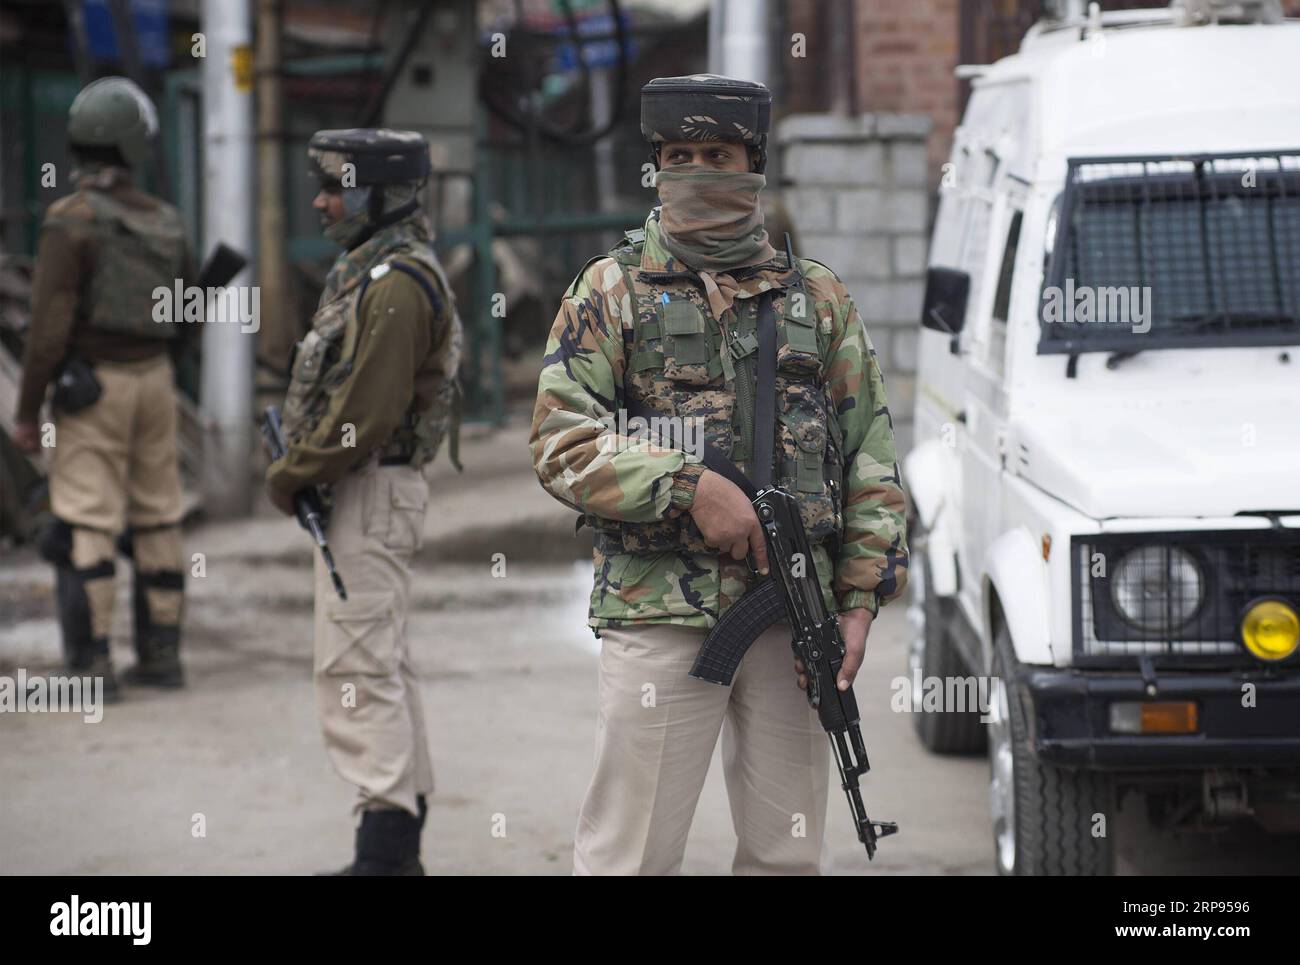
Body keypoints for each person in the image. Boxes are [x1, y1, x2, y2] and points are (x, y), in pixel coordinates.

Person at [529, 74, 909, 875]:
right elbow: (562, 441)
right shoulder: (611, 290)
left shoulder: (817, 298)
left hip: (793, 616)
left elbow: (871, 455)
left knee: (786, 853)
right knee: (630, 856)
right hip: (659, 608)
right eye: (679, 156)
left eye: (718, 156)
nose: (697, 172)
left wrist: (859, 599)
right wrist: (688, 487)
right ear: (656, 166)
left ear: (753, 164)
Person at [265, 129, 462, 876]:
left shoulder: (395, 284)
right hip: (368, 488)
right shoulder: (375, 271)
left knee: (356, 670)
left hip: (370, 486)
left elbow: (367, 414)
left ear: (381, 196)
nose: (321, 203)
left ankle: (383, 858)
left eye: (335, 189)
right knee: (380, 664)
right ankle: (393, 850)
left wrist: (291, 473)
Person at [13, 77, 195, 699]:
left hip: (93, 389)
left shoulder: (72, 221)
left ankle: (92, 664)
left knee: (88, 516)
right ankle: (163, 655)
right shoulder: (168, 222)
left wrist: (27, 410)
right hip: (156, 382)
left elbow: (47, 330)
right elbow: (190, 311)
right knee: (158, 514)